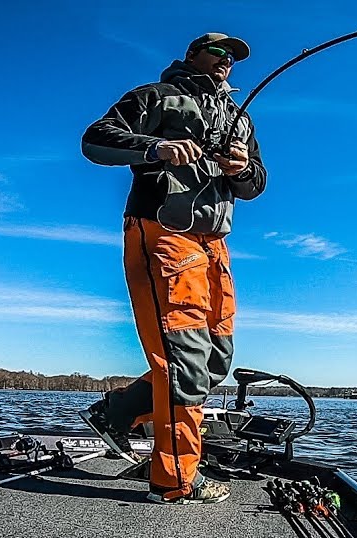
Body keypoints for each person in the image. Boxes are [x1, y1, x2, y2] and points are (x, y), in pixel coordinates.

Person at [79, 32, 268, 505]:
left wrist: (240, 169)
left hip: (215, 244)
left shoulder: (239, 118)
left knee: (216, 358)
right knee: (182, 358)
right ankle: (176, 479)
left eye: (233, 57)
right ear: (192, 55)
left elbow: (257, 183)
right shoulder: (155, 96)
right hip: (162, 233)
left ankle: (117, 412)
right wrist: (156, 149)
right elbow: (96, 139)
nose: (226, 62)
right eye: (218, 52)